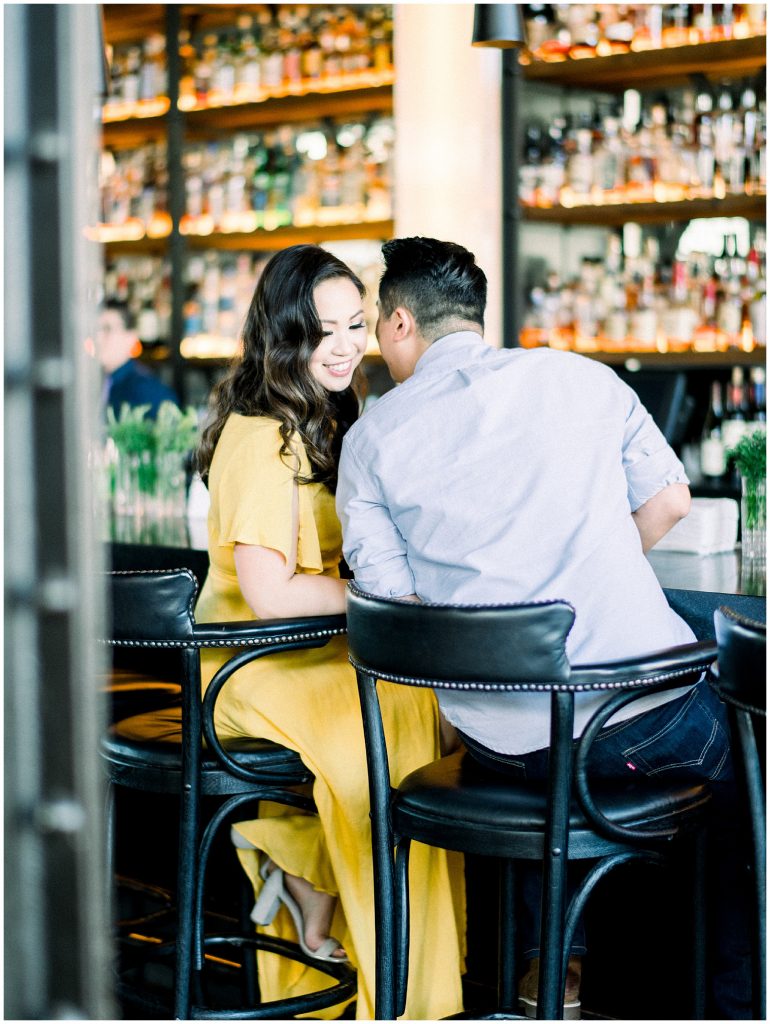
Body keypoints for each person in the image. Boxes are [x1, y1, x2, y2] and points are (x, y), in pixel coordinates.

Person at [336, 236, 750, 1019]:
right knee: (747, 751)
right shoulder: (579, 378)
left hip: (497, 749)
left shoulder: (370, 441)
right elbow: (669, 503)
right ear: (476, 316)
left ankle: (549, 970)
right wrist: (578, 569)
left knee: (540, 744)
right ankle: (733, 999)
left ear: (398, 324)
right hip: (635, 734)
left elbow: (396, 605)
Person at [189, 243, 465, 1019]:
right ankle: (404, 994)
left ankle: (322, 887)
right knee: (384, 715)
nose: (346, 346)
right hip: (247, 664)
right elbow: (270, 593)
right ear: (284, 337)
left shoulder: (336, 413)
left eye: (356, 325)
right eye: (324, 331)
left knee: (419, 705)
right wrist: (387, 591)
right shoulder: (258, 433)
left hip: (311, 656)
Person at [97, 299, 179, 419]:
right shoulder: (92, 383)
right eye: (95, 329)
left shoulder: (148, 391)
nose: (98, 337)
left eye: (107, 329)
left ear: (131, 338)